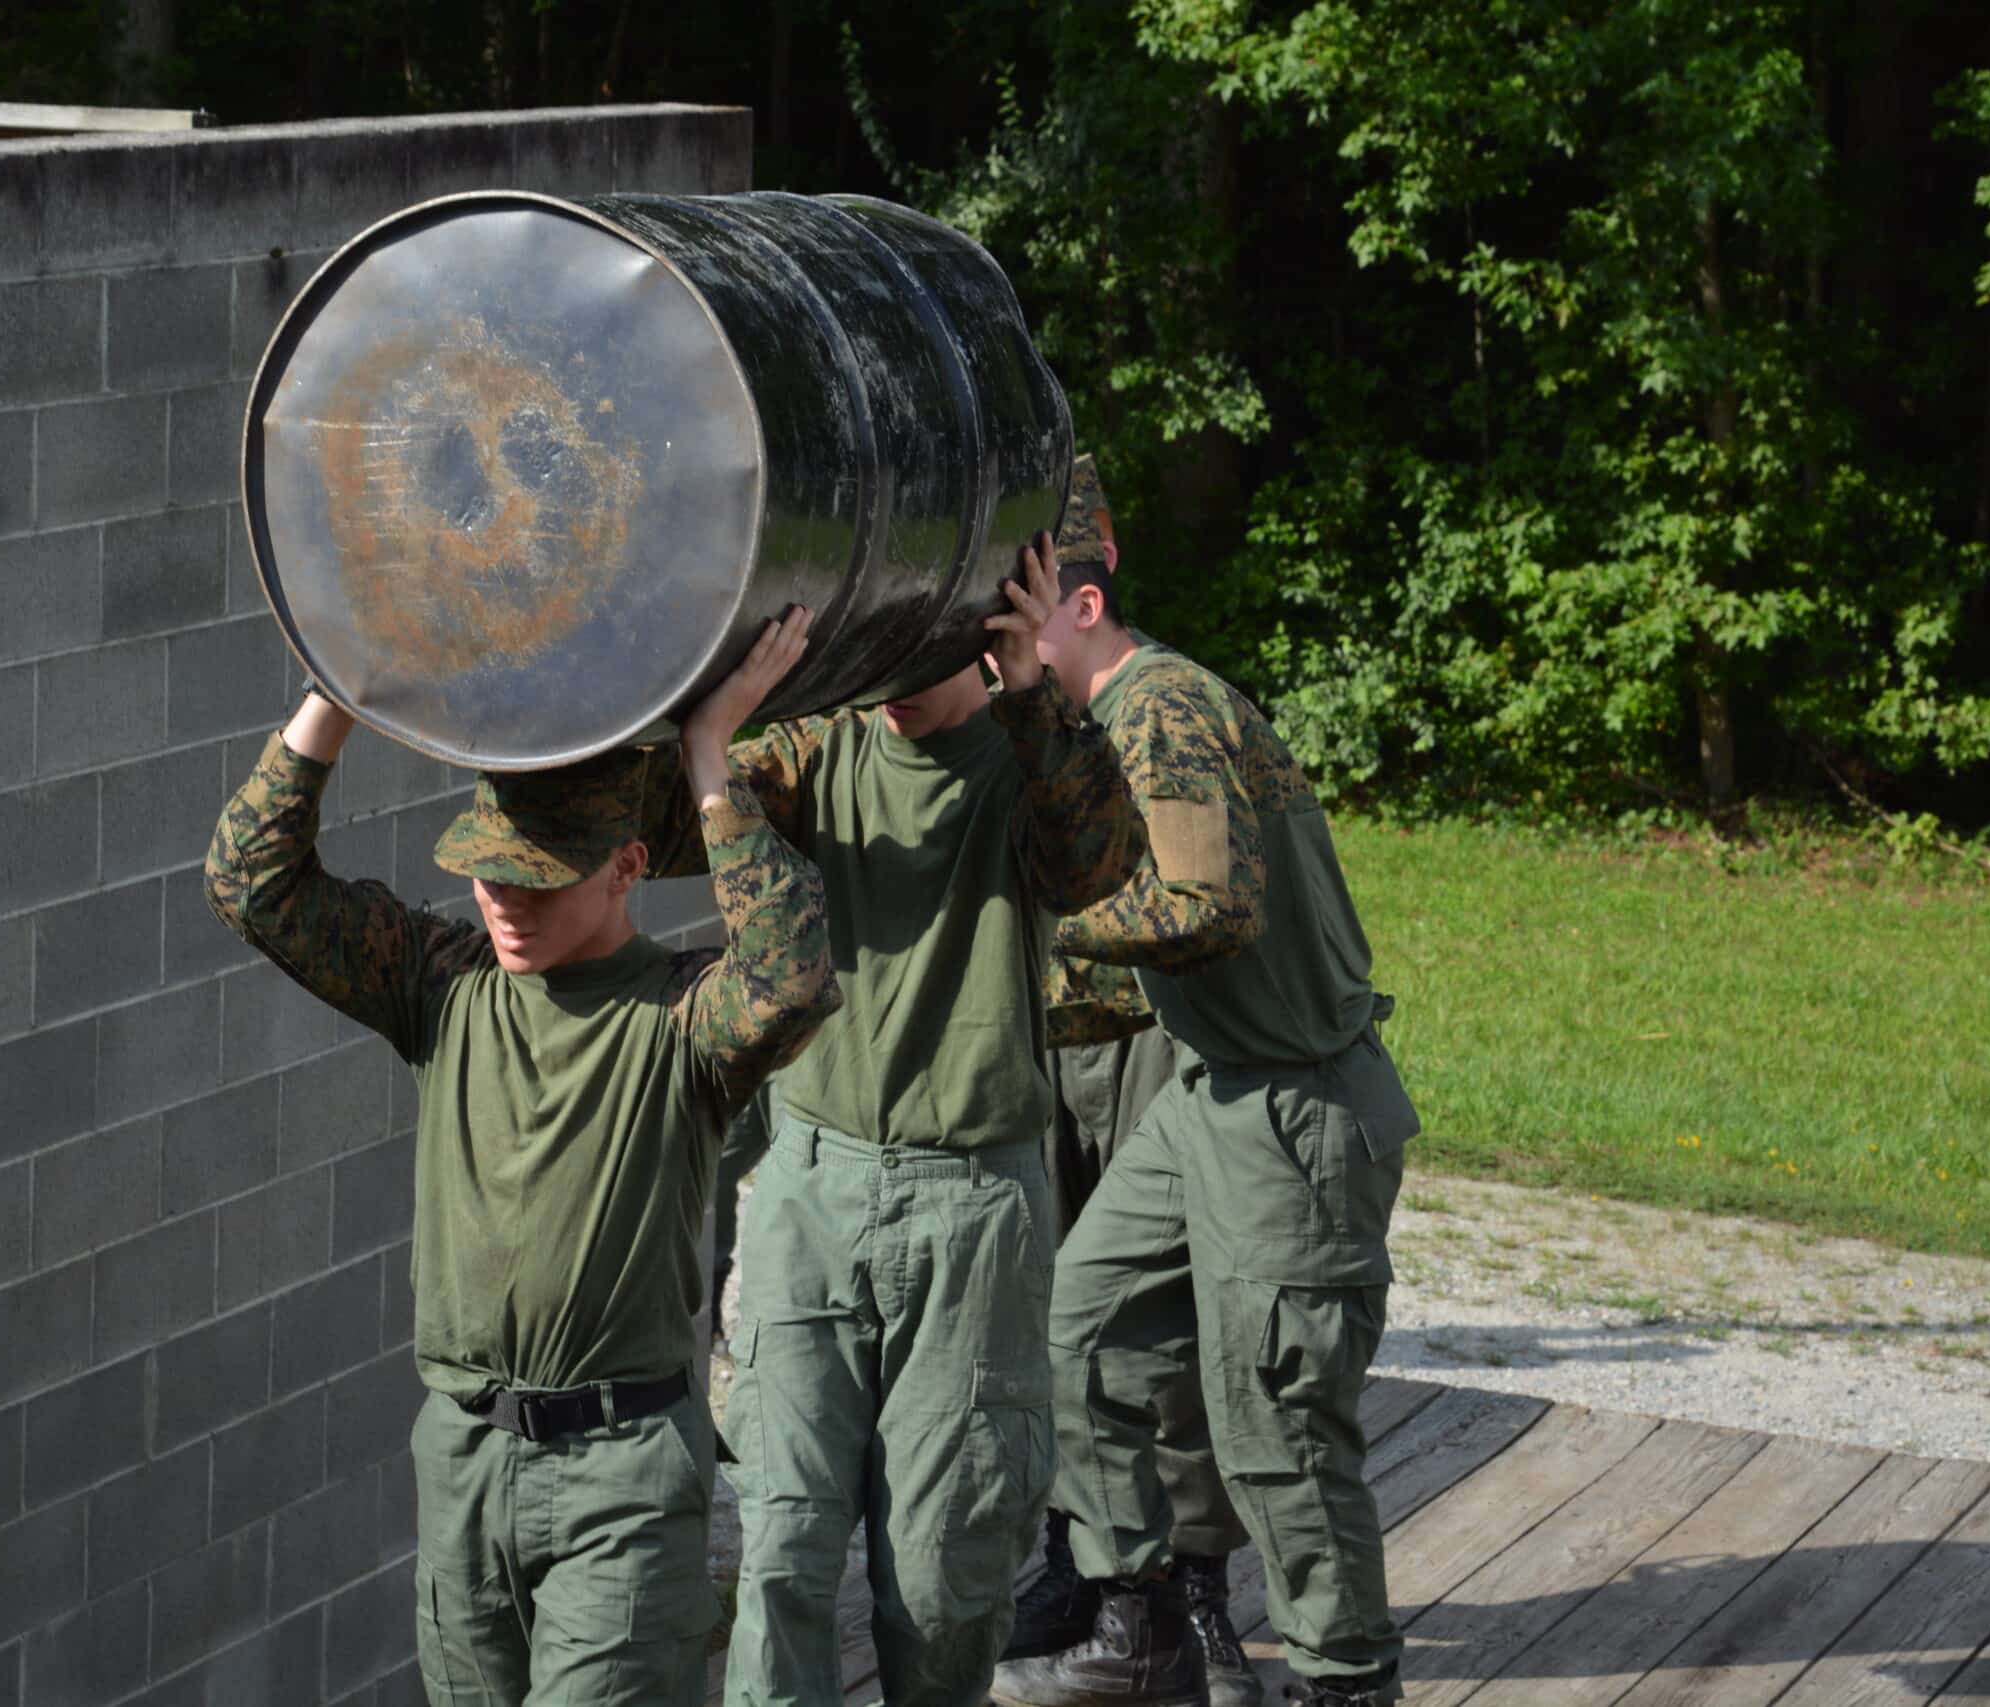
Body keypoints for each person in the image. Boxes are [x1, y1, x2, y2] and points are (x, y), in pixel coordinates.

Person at [205, 608, 842, 1707]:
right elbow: (250, 882)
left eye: (539, 877)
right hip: (461, 1461)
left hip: (621, 1476)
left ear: (627, 868)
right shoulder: (443, 985)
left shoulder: (682, 1017)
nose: (503, 900)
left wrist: (707, 759)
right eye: (489, 873)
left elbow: (790, 972)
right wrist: (341, 694)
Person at [643, 531, 1144, 1707]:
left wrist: (1030, 693)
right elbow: (656, 824)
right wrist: (711, 706)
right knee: (781, 1553)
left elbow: (1096, 864)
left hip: (972, 1207)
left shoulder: (1031, 760)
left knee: (942, 1573)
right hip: (814, 1190)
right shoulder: (815, 755)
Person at [987, 464, 1420, 1707]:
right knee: (1087, 1313)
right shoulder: (1104, 722)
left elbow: (1207, 908)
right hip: (1216, 1095)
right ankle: (1137, 1621)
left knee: (1275, 1422)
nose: (999, 653)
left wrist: (1041, 929)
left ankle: (1346, 1681)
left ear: (1076, 606)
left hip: (1293, 1109)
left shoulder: (1158, 707)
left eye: (1016, 626)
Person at [1006, 459, 1256, 1707]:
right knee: (1059, 1314)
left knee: (1169, 1329)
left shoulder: (1154, 702)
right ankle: (1092, 1569)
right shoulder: (1025, 688)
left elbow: (1198, 896)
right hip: (1042, 1040)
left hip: (1143, 1037)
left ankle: (1193, 1592)